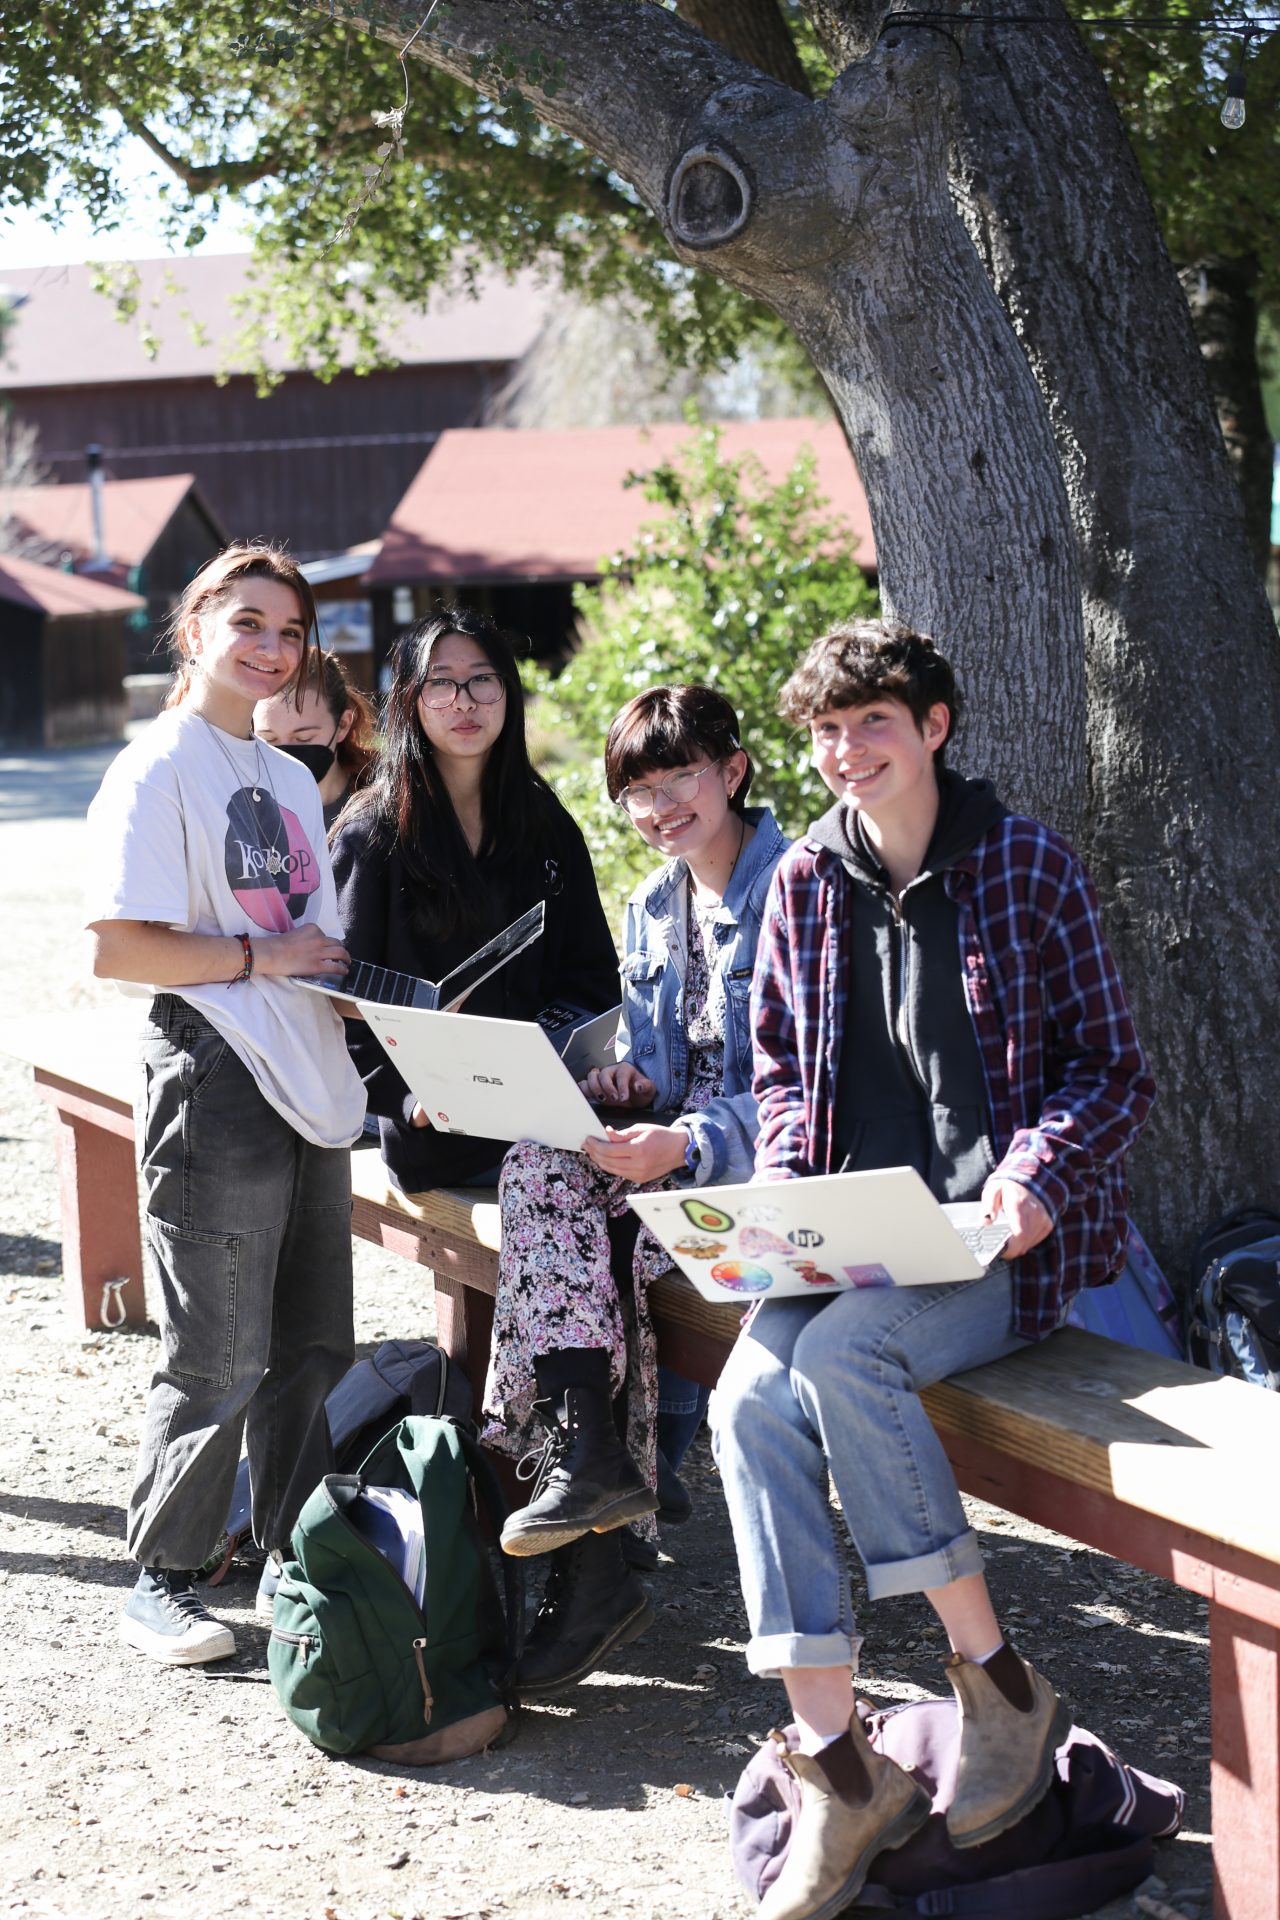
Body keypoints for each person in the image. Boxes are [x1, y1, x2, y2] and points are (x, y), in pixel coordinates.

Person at [709, 621, 1155, 1920]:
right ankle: (839, 1766)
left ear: (935, 727)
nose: (849, 754)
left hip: (993, 1246)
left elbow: (1111, 1071)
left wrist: (1032, 1183)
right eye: (829, 733)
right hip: (856, 1238)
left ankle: (999, 1685)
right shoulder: (803, 882)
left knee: (849, 1360)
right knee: (744, 1407)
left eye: (876, 726)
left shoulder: (1027, 865)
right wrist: (791, 1207)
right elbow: (783, 1075)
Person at [85, 543, 366, 1667]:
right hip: (213, 1068)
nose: (269, 647)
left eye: (289, 632)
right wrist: (261, 959)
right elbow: (119, 948)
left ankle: (292, 1552)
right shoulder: (155, 769)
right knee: (215, 1352)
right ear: (194, 626)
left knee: (312, 1346)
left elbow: (313, 942)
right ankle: (160, 1575)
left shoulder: (293, 779)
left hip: (304, 1072)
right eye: (247, 622)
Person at [483, 685, 789, 1697]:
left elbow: (808, 1091)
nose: (658, 810)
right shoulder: (653, 904)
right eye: (636, 793)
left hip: (765, 1177)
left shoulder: (798, 890)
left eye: (678, 781)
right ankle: (591, 1466)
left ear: (732, 770)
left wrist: (682, 1138)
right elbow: (662, 1061)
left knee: (593, 1256)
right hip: (670, 1159)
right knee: (538, 1161)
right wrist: (625, 1086)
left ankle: (598, 1548)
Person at [330, 607, 619, 1198]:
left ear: (509, 693)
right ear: (409, 698)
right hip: (438, 1132)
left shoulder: (546, 825)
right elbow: (335, 1004)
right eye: (440, 682)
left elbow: (591, 974)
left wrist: (567, 1053)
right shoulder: (372, 835)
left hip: (547, 1111)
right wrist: (407, 1099)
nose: (464, 701)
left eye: (483, 679)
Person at [254, 648, 377, 831]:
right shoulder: (243, 809)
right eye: (269, 738)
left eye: (304, 737)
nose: (285, 752)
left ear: (342, 725)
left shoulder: (387, 800)